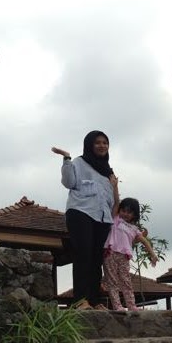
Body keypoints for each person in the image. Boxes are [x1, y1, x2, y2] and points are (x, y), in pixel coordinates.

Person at [52, 130, 116, 309]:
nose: (102, 145)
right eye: (98, 142)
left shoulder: (108, 171)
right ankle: (80, 300)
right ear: (89, 145)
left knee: (96, 259)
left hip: (102, 218)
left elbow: (111, 200)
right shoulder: (79, 162)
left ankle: (94, 301)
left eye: (105, 142)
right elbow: (69, 182)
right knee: (83, 255)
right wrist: (66, 159)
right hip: (81, 212)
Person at [103, 191, 159, 312]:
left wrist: (153, 255)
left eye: (129, 212)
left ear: (134, 215)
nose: (125, 214)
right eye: (123, 210)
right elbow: (116, 202)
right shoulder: (115, 219)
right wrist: (114, 187)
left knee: (126, 281)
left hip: (124, 257)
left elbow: (145, 242)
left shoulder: (134, 229)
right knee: (112, 281)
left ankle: (131, 305)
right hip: (110, 253)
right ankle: (117, 306)